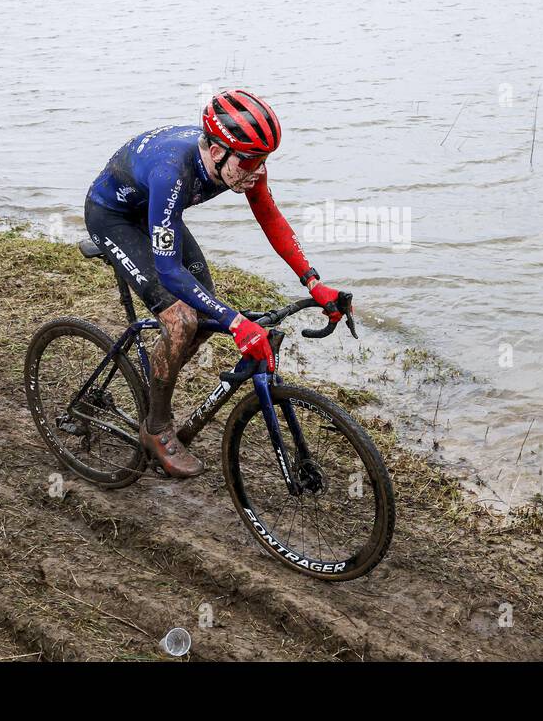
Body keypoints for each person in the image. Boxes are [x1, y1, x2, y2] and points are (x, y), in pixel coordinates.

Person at [83, 88, 348, 479]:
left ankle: (160, 373)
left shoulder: (240, 160)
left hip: (158, 213)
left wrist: (313, 283)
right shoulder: (172, 170)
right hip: (114, 218)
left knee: (205, 311)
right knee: (182, 320)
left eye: (265, 159)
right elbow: (169, 269)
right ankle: (156, 428)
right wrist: (239, 323)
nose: (259, 170)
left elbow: (271, 219)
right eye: (252, 160)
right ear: (216, 149)